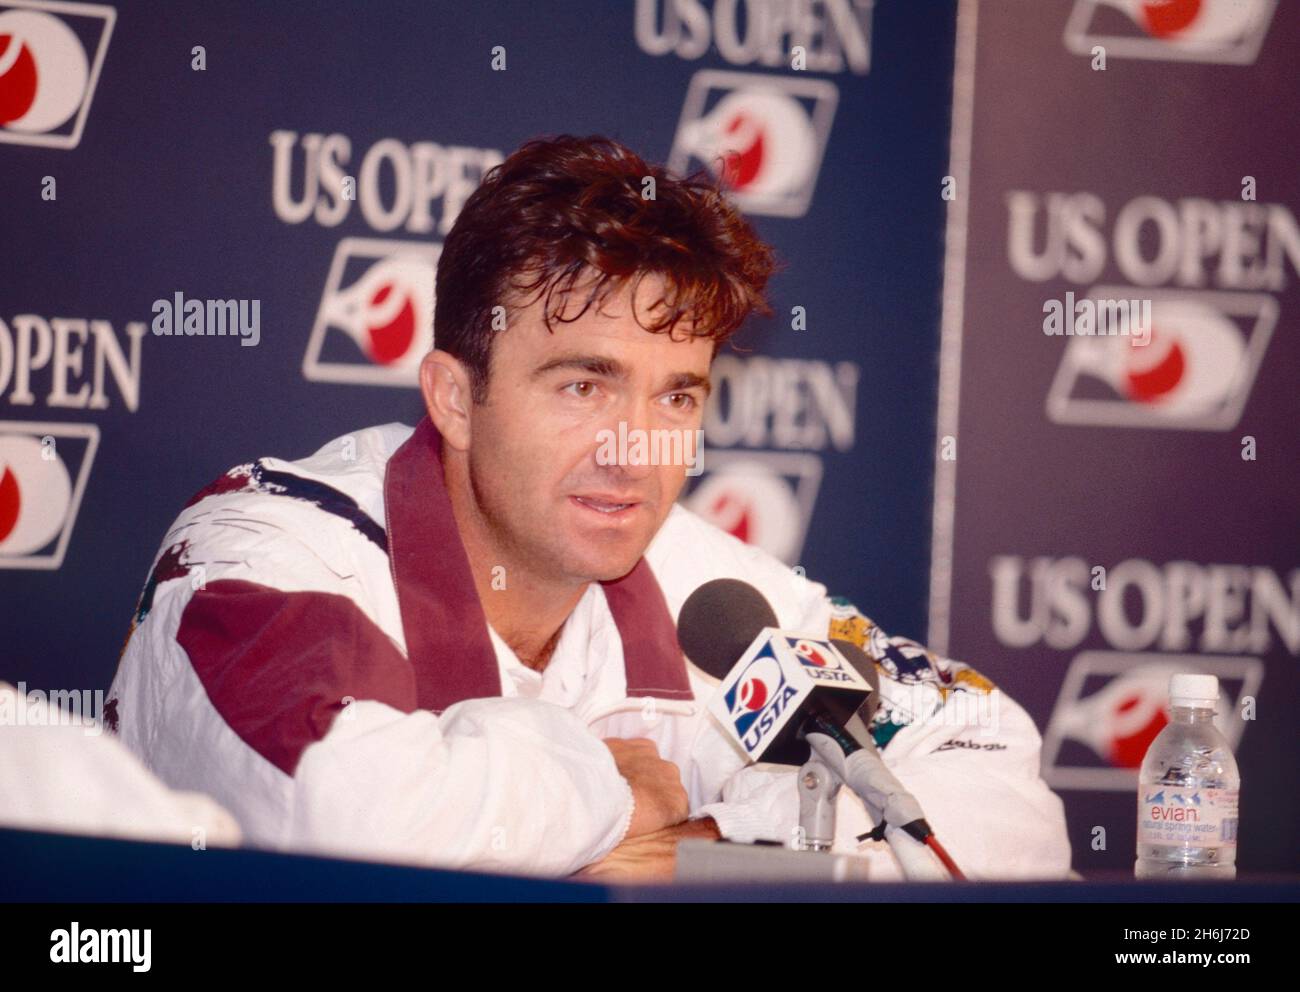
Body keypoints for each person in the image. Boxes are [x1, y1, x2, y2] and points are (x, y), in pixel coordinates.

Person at [107, 135, 1071, 881]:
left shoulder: (721, 603)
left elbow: (1001, 782)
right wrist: (607, 787)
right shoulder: (261, 548)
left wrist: (710, 845)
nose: (636, 447)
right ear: (454, 398)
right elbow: (343, 816)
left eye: (677, 396)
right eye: (582, 386)